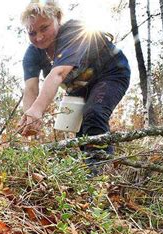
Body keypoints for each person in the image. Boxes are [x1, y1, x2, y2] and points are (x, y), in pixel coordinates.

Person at [18, 0, 131, 165]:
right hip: (78, 86)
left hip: (110, 73)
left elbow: (58, 73)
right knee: (78, 127)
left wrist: (38, 109)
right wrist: (29, 116)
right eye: (32, 33)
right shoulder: (32, 54)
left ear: (57, 18)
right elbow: (30, 88)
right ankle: (89, 166)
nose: (39, 37)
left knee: (94, 113)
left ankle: (101, 170)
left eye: (44, 28)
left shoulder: (74, 32)